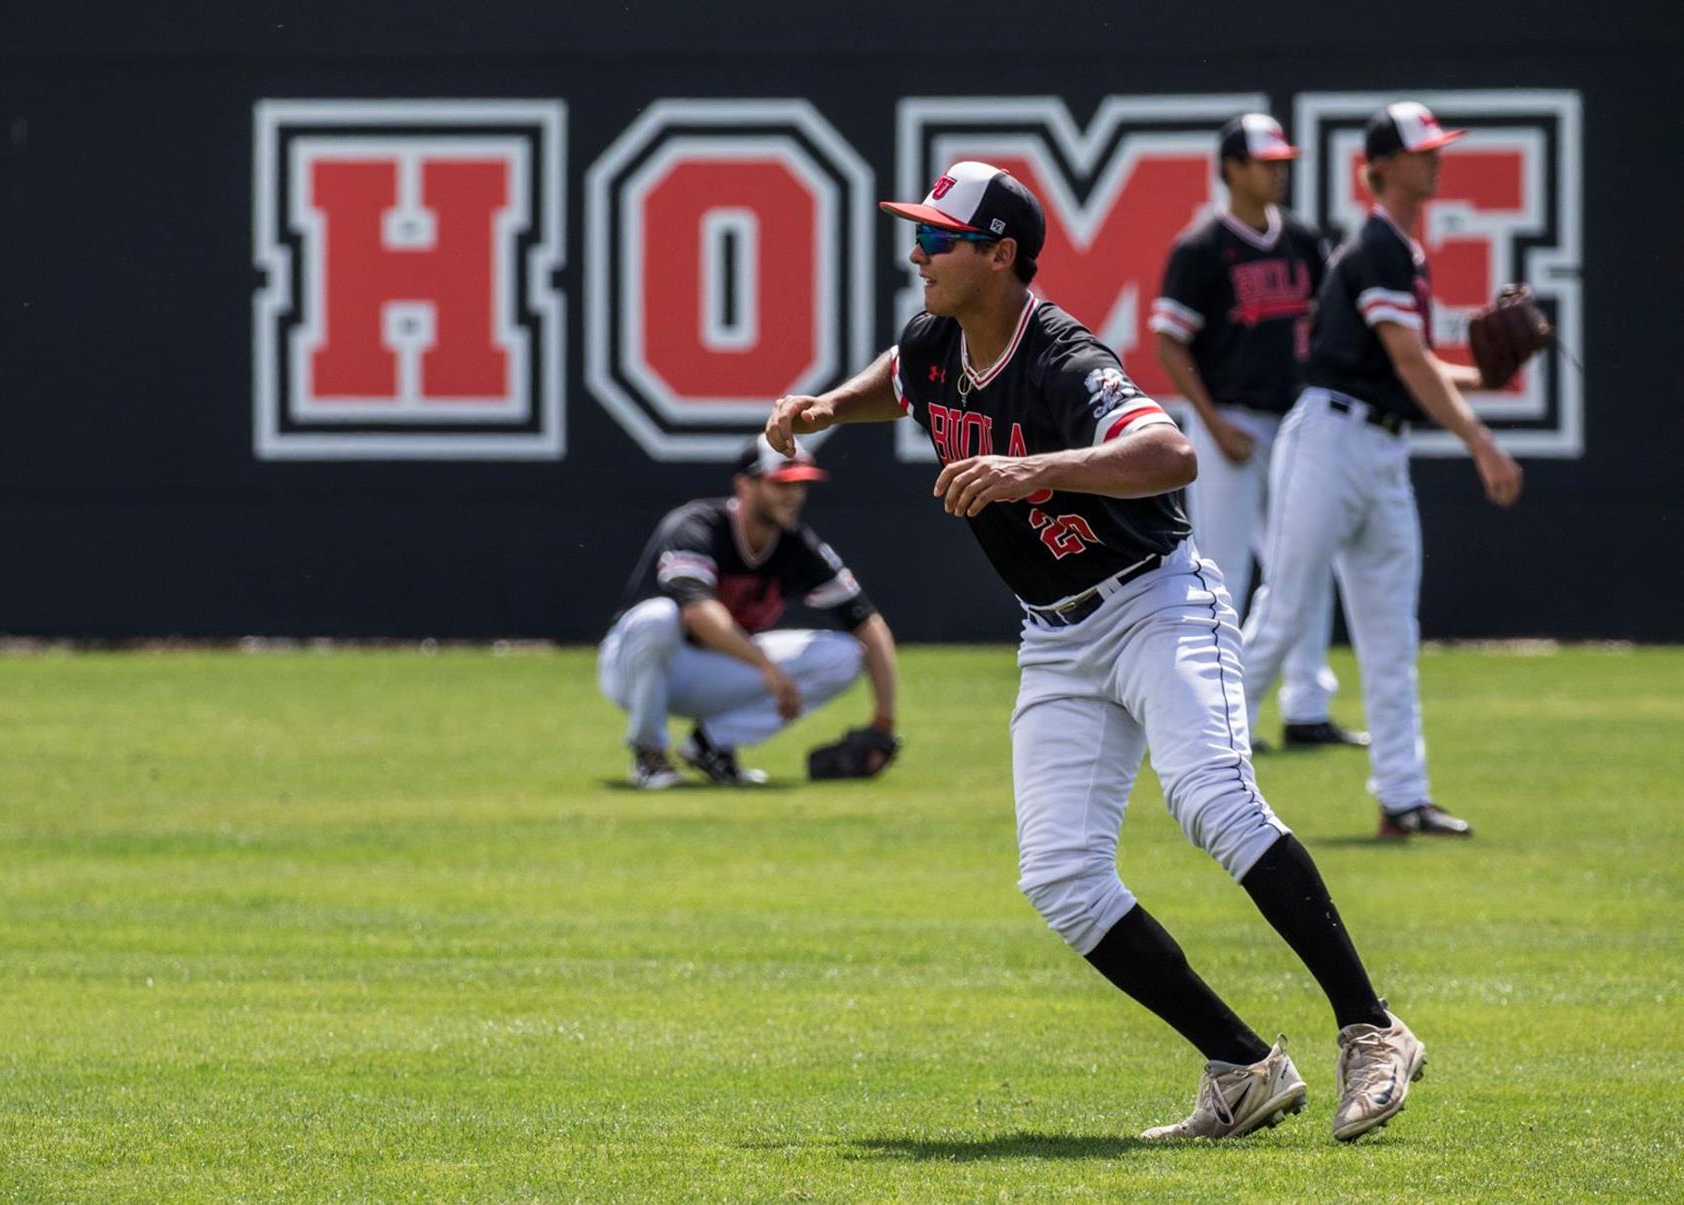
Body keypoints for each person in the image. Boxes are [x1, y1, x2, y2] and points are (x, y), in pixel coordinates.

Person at [764, 160, 1426, 1142]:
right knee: (1060, 875)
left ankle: (1371, 1028)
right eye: (918, 234)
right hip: (1055, 634)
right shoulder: (934, 340)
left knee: (1212, 800)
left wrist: (1033, 466)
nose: (918, 253)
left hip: (1155, 602)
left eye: (938, 238)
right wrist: (826, 405)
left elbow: (1171, 452)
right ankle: (1243, 1066)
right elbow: (898, 379)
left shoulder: (1062, 357)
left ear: (1000, 255)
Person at [1241, 103, 1523, 840]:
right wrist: (1481, 440)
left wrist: (1480, 381)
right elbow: (1408, 359)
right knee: (1285, 608)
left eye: (1437, 148)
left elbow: (1413, 365)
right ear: (1384, 167)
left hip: (1382, 449)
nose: (1436, 159)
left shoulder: (1404, 252)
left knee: (1393, 634)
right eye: (1422, 151)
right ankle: (1201, 763)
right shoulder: (1376, 247)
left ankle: (1403, 797)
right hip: (1329, 440)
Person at [1150, 113, 1367, 750]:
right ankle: (1213, 716)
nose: (1280, 172)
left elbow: (1330, 324)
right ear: (1232, 169)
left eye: (1283, 162)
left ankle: (1306, 708)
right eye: (1267, 163)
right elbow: (1168, 343)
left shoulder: (1301, 239)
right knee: (1221, 575)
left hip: (1295, 423)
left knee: (1306, 560)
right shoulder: (1201, 247)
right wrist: (1213, 423)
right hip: (1230, 421)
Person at [597, 436, 899, 789]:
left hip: (709, 670)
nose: (793, 495)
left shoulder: (797, 545)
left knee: (844, 656)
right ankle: (649, 755)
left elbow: (867, 622)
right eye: (781, 483)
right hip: (634, 669)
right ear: (745, 486)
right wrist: (766, 666)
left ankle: (711, 744)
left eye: (800, 484)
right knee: (658, 618)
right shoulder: (697, 526)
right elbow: (697, 613)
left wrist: (884, 722)